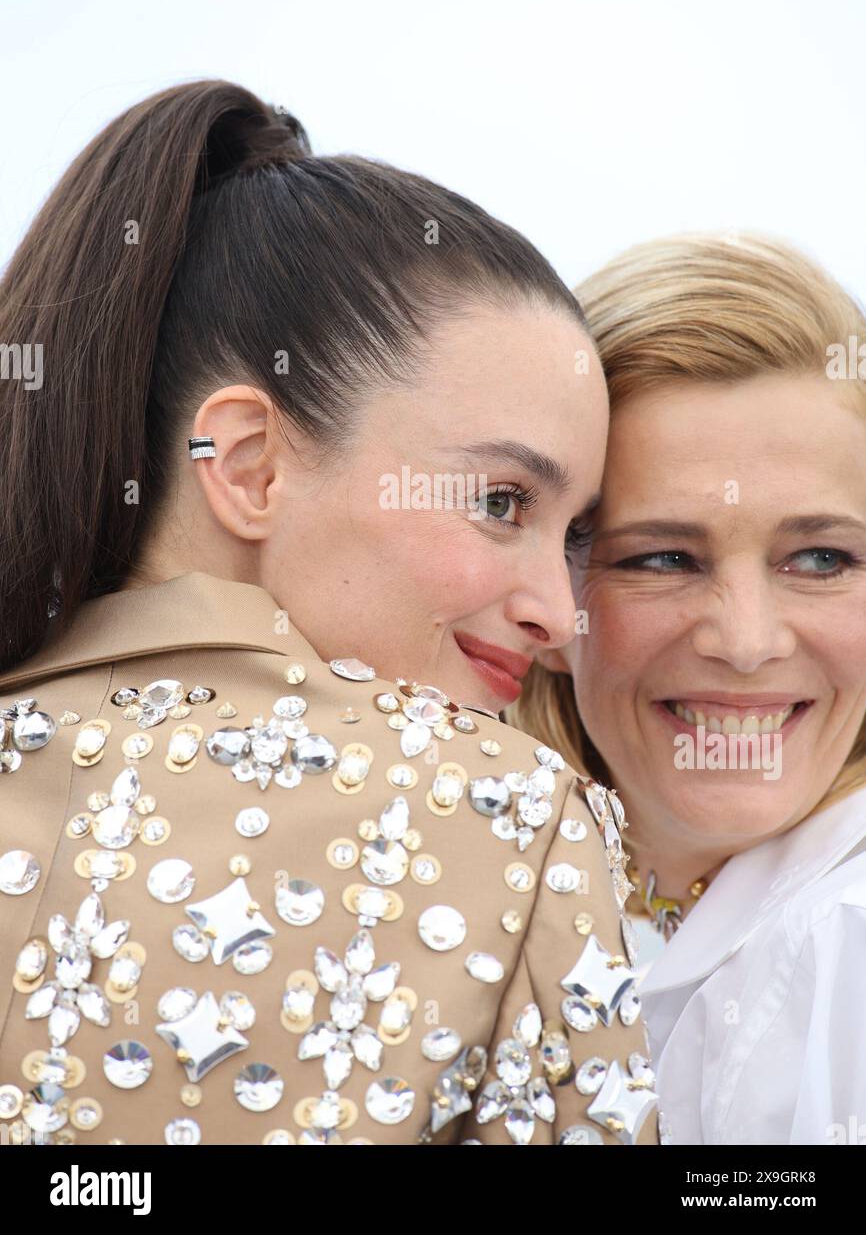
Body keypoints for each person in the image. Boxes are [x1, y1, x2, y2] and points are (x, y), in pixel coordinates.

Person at [0, 80, 659, 1146]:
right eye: (502, 502)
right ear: (249, 466)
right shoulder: (509, 819)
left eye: (575, 535)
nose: (554, 612)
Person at [508, 231, 866, 1144]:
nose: (746, 643)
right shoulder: (474, 902)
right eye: (664, 557)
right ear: (548, 596)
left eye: (821, 558)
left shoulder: (846, 937)